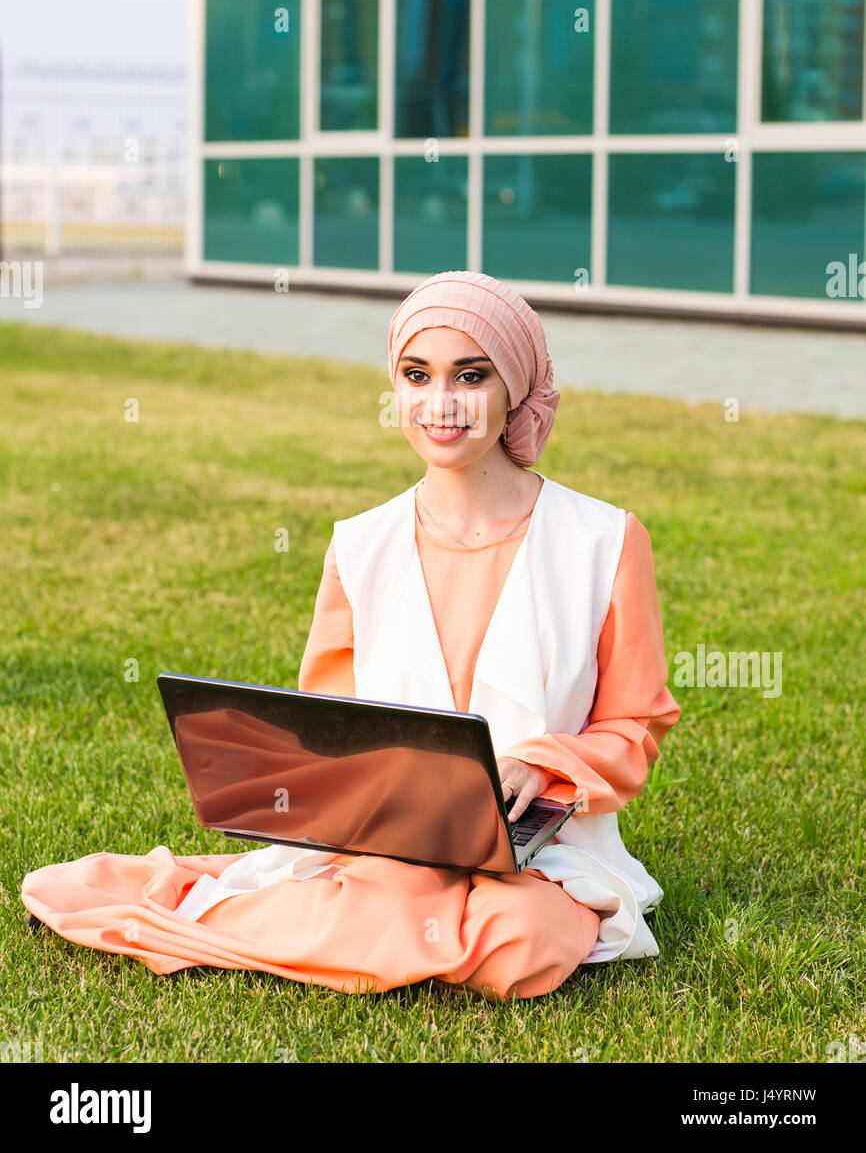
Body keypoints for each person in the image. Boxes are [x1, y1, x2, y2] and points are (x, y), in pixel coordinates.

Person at [21, 270, 681, 1001]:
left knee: (520, 942)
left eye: (471, 375)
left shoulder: (604, 539)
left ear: (514, 388)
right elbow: (331, 729)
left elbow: (634, 724)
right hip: (396, 837)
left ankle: (370, 935)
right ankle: (386, 923)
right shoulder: (361, 545)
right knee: (426, 914)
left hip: (541, 848)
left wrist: (543, 766)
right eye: (416, 375)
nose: (440, 404)